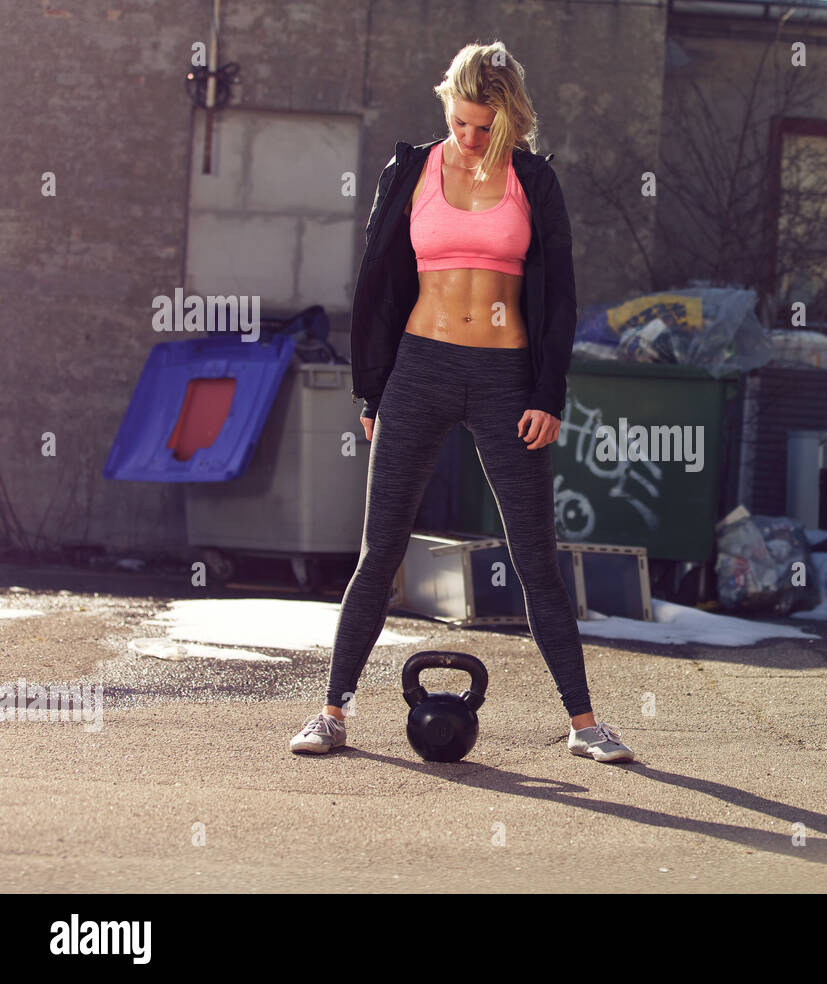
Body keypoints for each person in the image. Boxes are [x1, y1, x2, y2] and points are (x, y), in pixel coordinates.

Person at [291, 41, 633, 763]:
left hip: (507, 379)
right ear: (446, 105)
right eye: (461, 122)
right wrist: (372, 388)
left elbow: (559, 297)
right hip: (418, 367)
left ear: (510, 116)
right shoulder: (411, 168)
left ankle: (584, 725)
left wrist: (548, 393)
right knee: (378, 550)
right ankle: (331, 713)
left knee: (536, 557)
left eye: (486, 125)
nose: (471, 138)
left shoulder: (533, 180)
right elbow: (379, 283)